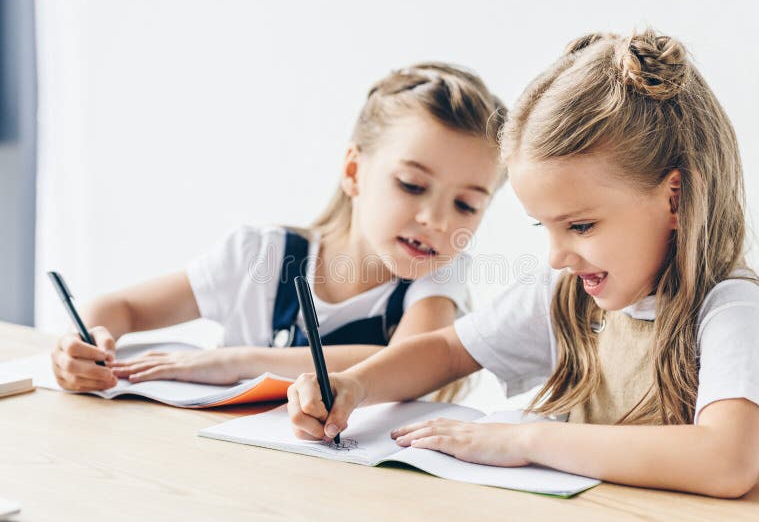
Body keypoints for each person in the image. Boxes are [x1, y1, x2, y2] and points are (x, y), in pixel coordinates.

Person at [287, 30, 759, 497]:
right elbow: (447, 352)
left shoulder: (732, 307)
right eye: (544, 226)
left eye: (580, 226)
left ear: (675, 199)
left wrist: (526, 440)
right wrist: (356, 386)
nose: (557, 256)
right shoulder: (569, 288)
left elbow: (726, 462)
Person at [51, 62, 506, 393]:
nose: (438, 220)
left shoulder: (439, 279)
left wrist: (233, 361)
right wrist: (83, 345)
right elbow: (122, 307)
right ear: (353, 171)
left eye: (466, 205)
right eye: (411, 185)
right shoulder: (261, 255)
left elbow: (400, 363)